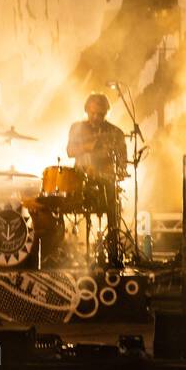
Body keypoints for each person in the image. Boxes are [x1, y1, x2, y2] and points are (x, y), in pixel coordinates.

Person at [66, 93, 127, 267]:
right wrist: (87, 146)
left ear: (106, 113)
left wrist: (120, 170)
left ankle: (113, 253)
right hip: (81, 179)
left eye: (100, 114)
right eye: (93, 113)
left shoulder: (116, 132)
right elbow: (69, 151)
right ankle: (67, 250)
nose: (96, 117)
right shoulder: (77, 127)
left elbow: (122, 163)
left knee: (113, 206)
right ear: (86, 110)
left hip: (106, 182)